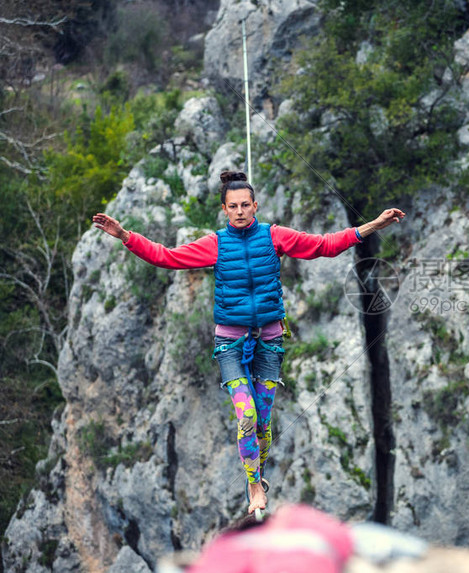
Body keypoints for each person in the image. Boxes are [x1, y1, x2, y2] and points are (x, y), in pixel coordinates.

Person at [93, 171, 405, 515]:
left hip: (269, 341)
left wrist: (374, 224)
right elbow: (166, 257)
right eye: (233, 206)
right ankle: (254, 485)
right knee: (246, 417)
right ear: (224, 210)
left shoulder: (274, 236)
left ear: (255, 206)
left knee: (263, 424)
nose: (240, 211)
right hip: (231, 343)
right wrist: (125, 235)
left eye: (245, 205)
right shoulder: (215, 244)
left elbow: (324, 246)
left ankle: (257, 472)